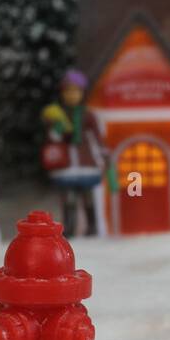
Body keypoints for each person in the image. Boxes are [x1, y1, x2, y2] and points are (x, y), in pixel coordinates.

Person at [41, 69, 107, 237]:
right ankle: (69, 229)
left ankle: (92, 228)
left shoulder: (87, 115)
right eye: (68, 91)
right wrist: (57, 127)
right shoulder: (57, 115)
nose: (72, 95)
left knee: (88, 197)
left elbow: (97, 137)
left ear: (82, 93)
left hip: (85, 163)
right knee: (68, 198)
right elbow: (52, 138)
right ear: (62, 93)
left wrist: (103, 154)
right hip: (66, 163)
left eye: (76, 91)